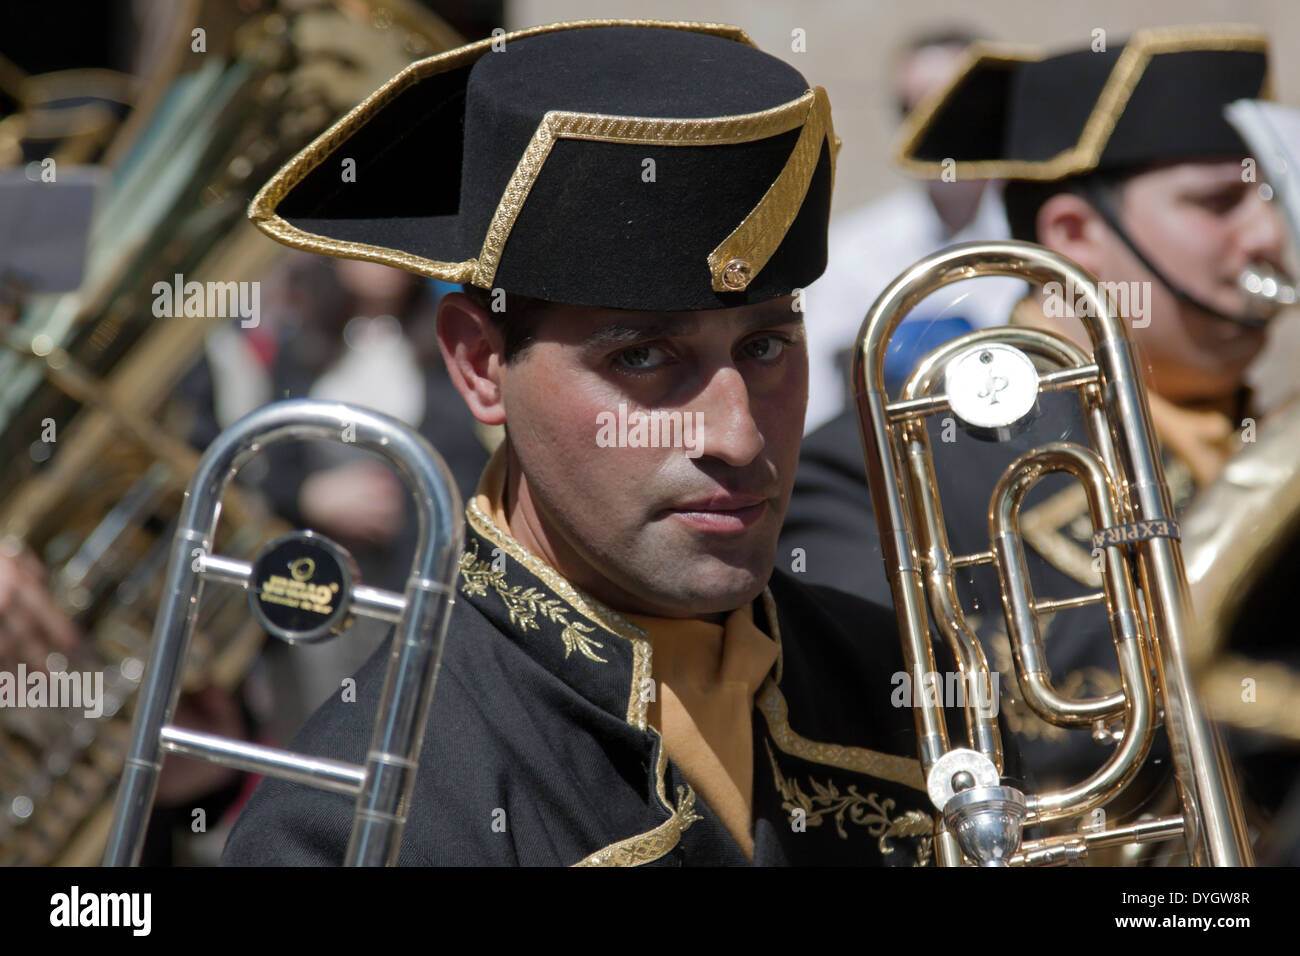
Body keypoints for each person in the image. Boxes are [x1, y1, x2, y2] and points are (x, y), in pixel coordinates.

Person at [220, 21, 992, 867]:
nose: (736, 436)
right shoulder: (356, 822)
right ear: (482, 366)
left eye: (765, 347)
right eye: (644, 356)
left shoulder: (919, 685)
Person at [781, 26, 1287, 813]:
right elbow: (891, 750)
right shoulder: (881, 470)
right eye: (1218, 201)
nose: (1269, 234)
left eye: (1267, 196)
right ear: (1074, 240)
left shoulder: (1269, 440)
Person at [802, 29, 1025, 433]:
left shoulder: (1051, 236)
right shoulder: (851, 250)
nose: (937, 128)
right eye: (916, 109)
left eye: (958, 106)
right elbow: (817, 403)